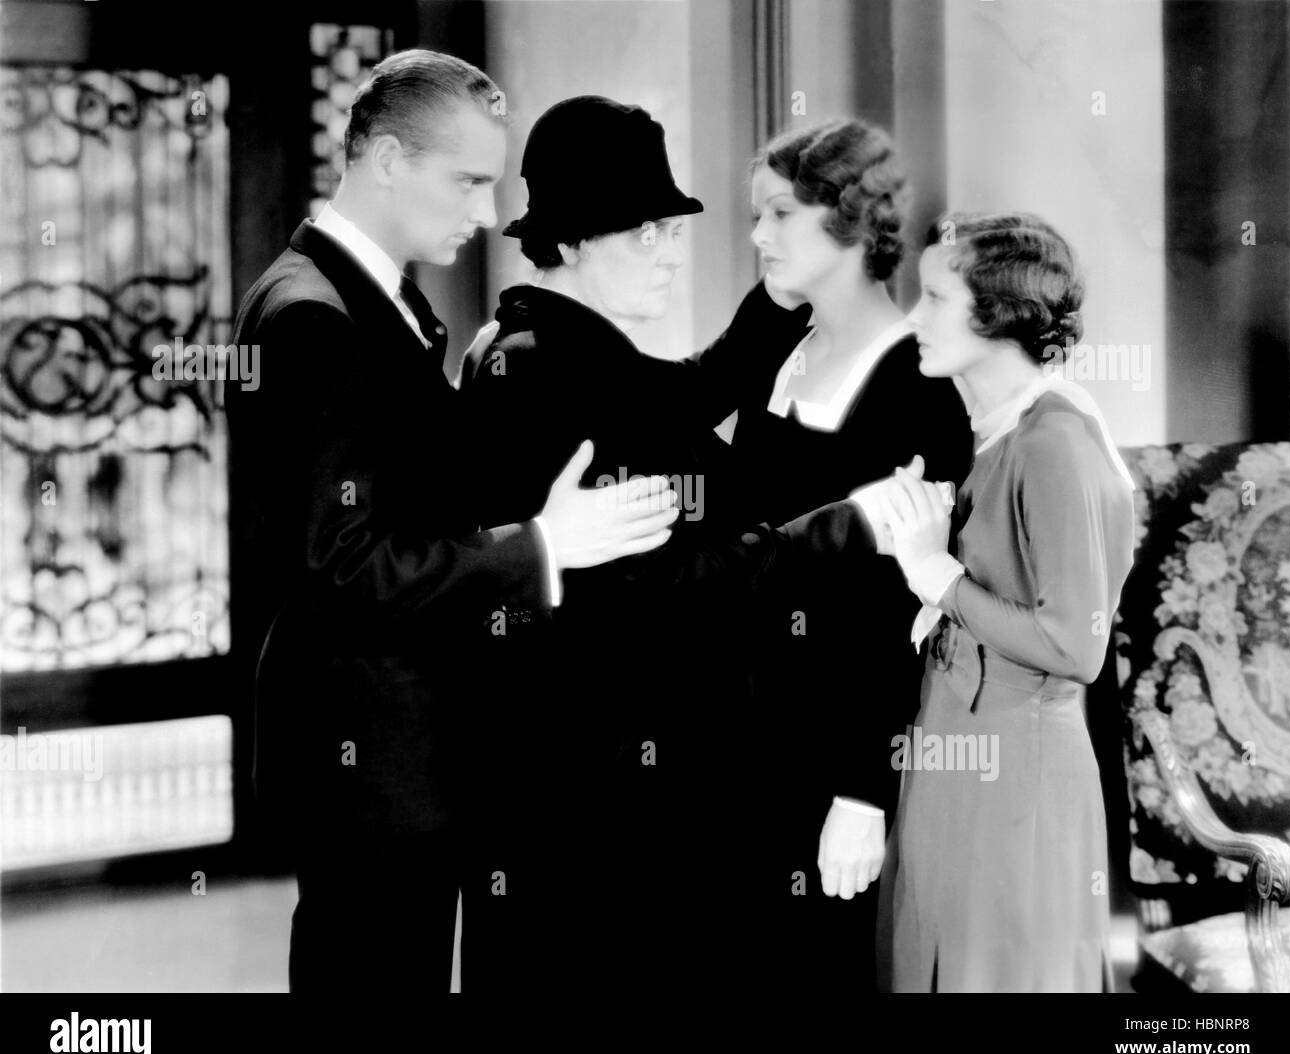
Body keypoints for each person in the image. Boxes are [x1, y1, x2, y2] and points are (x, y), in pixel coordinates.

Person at [227, 52, 679, 994]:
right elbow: (346, 565)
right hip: (372, 771)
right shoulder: (313, 318)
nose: (485, 216)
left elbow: (411, 490)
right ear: (387, 159)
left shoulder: (371, 298)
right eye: (469, 182)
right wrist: (547, 547)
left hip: (393, 762)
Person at [459, 96, 892, 990]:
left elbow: (682, 394)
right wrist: (846, 526)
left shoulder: (547, 339)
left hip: (591, 785)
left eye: (669, 229)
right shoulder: (546, 371)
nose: (667, 251)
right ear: (571, 241)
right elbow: (658, 584)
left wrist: (776, 305)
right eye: (640, 234)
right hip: (607, 807)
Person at [725, 119, 973, 989]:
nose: (757, 236)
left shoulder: (919, 384)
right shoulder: (779, 357)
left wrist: (863, 792)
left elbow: (904, 614)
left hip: (840, 761)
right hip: (748, 744)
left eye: (779, 214)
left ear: (850, 222)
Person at [875, 212, 1136, 992]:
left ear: (996, 314)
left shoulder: (1054, 443)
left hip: (1018, 783)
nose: (914, 317)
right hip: (955, 755)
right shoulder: (995, 434)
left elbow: (1076, 646)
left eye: (933, 298)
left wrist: (936, 576)